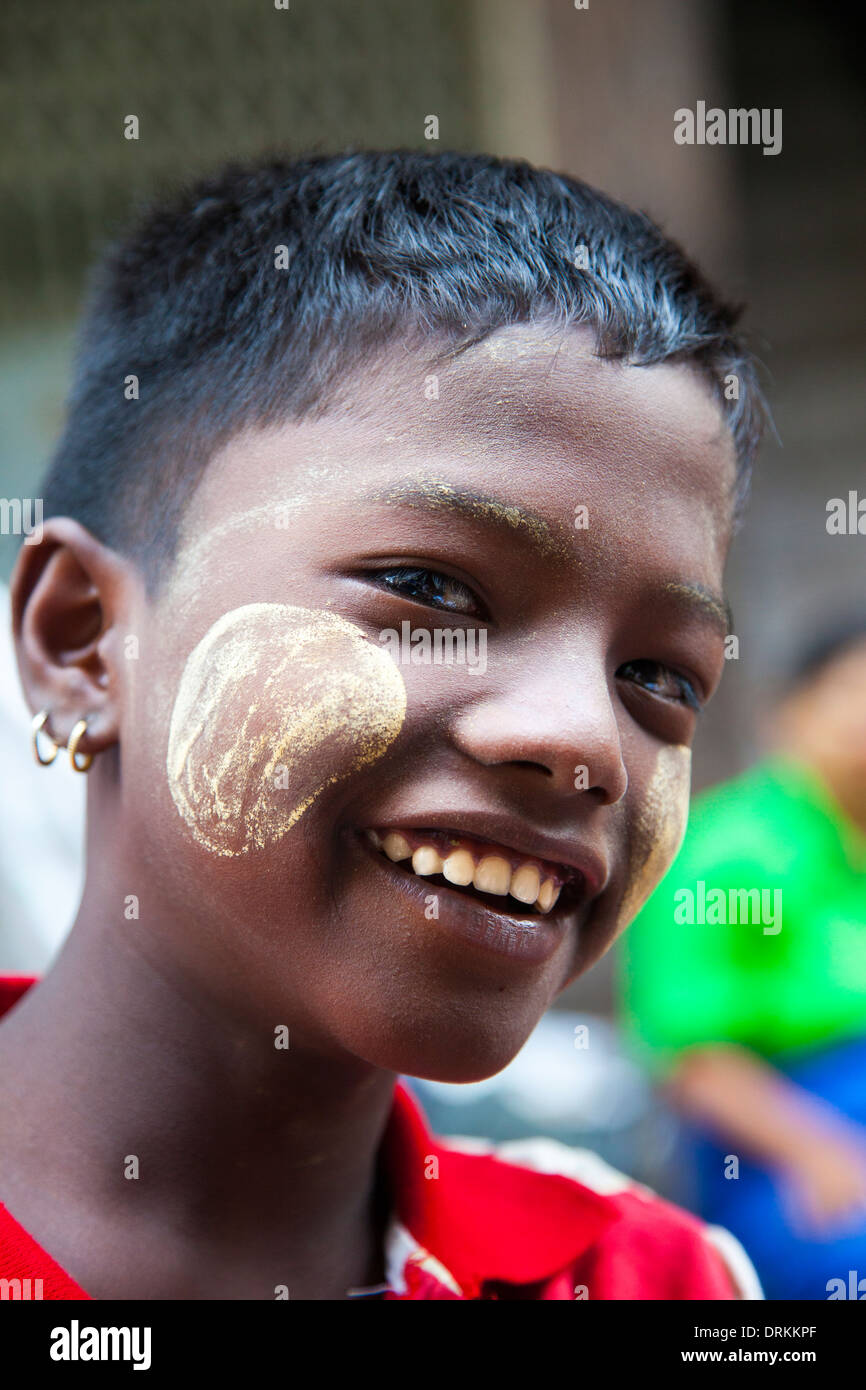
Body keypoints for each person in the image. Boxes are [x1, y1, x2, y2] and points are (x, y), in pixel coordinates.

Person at [0, 150, 765, 1301]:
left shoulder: (649, 1279)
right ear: (81, 641)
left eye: (660, 676)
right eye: (434, 591)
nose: (585, 741)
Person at [619, 616, 866, 1300]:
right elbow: (693, 1057)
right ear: (792, 713)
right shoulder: (729, 856)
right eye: (853, 693)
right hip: (779, 1140)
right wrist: (819, 1152)